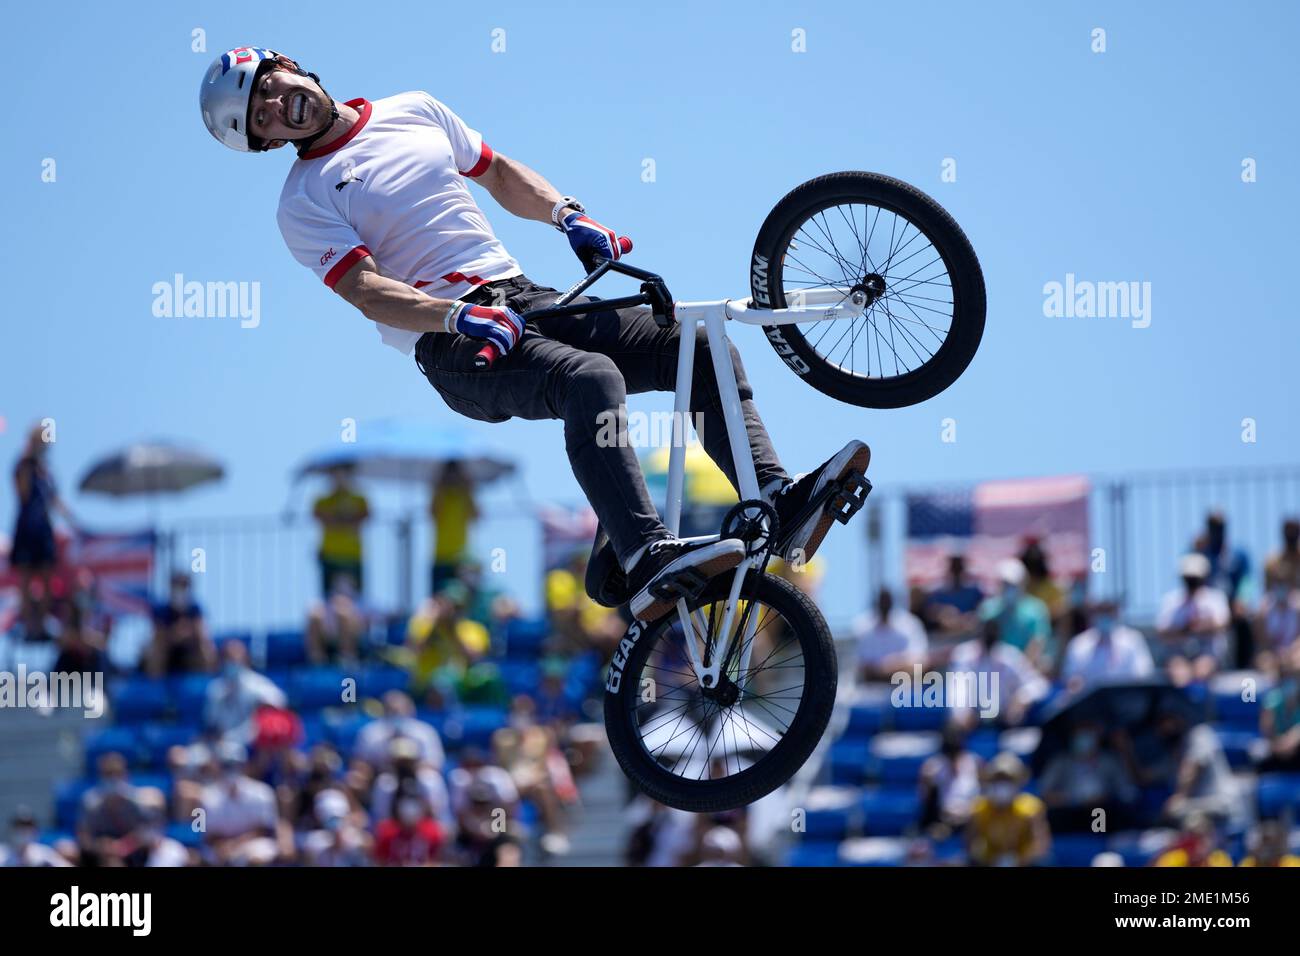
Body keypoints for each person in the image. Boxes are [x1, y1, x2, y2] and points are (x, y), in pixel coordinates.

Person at [198, 46, 871, 626]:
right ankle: (642, 555)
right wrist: (452, 315)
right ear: (266, 145)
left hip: (528, 301)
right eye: (258, 121)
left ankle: (777, 500)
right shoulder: (304, 199)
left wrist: (567, 216)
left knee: (693, 344)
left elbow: (496, 172)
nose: (273, 107)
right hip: (456, 345)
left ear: (287, 67)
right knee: (592, 380)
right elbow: (364, 290)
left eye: (266, 88)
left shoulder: (413, 108)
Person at [9, 424, 77, 643]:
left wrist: (73, 519)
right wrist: (28, 462)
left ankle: (43, 622)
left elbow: (55, 500)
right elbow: (23, 493)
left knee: (49, 578)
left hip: (44, 530)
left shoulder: (47, 471)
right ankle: (30, 625)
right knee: (26, 579)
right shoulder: (23, 465)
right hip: (27, 528)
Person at [1038, 718, 1138, 832]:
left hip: (1100, 811)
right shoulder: (1060, 761)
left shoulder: (1109, 761)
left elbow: (1128, 793)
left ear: (1097, 736)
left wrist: (1106, 797)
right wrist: (1073, 799)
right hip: (1068, 811)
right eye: (1079, 733)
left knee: (1102, 814)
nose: (1083, 738)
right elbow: (1043, 793)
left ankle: (1100, 844)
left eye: (1088, 733)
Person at [947, 617, 1050, 727]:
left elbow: (1039, 684)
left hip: (1005, 722)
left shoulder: (1010, 656)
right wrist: (961, 712)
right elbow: (958, 689)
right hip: (972, 722)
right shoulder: (964, 655)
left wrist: (1021, 699)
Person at [1155, 553, 1231, 686]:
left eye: (1195, 579)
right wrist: (1186, 630)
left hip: (1209, 655)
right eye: (1188, 579)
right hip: (1179, 655)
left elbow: (1222, 624)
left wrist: (1198, 627)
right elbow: (1162, 631)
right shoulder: (1171, 601)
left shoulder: (1215, 598)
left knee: (1201, 670)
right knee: (1179, 674)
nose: (1191, 583)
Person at [964, 753, 1051, 867]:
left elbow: (1041, 844)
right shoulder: (979, 808)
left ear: (1018, 782)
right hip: (990, 862)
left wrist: (1018, 862)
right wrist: (988, 861)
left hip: (1024, 862)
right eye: (997, 779)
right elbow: (969, 843)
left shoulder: (1031, 807)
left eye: (1008, 780)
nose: (1002, 784)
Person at [203, 640, 289, 744]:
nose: (232, 662)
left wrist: (261, 710)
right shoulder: (215, 689)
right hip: (223, 743)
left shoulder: (256, 683)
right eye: (228, 658)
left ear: (245, 659)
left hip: (250, 743)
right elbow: (210, 723)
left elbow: (280, 701)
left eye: (235, 658)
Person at [1059, 600, 1155, 692]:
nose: (1105, 620)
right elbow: (1071, 680)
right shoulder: (1079, 644)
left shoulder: (1132, 640)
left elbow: (1144, 674)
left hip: (1126, 702)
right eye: (1101, 615)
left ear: (1116, 616)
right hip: (1091, 706)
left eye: (1108, 615)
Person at [976, 559, 1051, 668]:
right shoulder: (987, 609)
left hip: (1025, 672)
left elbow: (1037, 643)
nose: (1008, 588)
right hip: (992, 670)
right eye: (1005, 584)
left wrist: (1020, 672)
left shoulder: (1037, 609)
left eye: (1012, 584)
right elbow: (981, 642)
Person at [312, 464, 369, 598]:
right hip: (329, 554)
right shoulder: (322, 501)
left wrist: (341, 518)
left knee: (355, 600)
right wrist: (346, 518)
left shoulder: (359, 499)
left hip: (352, 555)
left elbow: (363, 517)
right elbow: (322, 518)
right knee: (329, 599)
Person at [144, 571, 217, 677]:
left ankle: (209, 677)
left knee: (205, 646)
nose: (180, 590)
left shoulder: (195, 609)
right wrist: (175, 635)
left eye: (184, 586)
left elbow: (202, 634)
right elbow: (158, 636)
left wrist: (186, 635)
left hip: (189, 651)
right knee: (157, 648)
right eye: (177, 585)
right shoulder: (161, 610)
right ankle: (155, 682)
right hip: (168, 651)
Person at [917, 726, 983, 837]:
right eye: (949, 755)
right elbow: (925, 800)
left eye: (956, 754)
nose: (953, 759)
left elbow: (985, 794)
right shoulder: (934, 767)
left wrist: (970, 812)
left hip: (972, 819)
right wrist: (926, 781)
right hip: (944, 820)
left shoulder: (975, 763)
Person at [854, 587, 928, 683]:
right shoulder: (863, 628)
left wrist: (892, 667)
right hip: (874, 689)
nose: (884, 605)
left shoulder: (909, 624)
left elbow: (921, 661)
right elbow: (862, 665)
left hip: (908, 687)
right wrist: (882, 670)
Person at [430, 460, 478, 594]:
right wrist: (438, 487)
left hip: (461, 557)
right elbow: (432, 513)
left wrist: (469, 489)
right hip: (440, 555)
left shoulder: (465, 496)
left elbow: (477, 515)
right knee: (438, 597)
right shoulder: (439, 494)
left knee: (462, 597)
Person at [922, 553, 984, 642]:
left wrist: (969, 618)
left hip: (969, 639)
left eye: (959, 567)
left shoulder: (974, 592)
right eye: (954, 566)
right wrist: (944, 614)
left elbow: (982, 613)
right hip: (943, 640)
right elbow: (930, 614)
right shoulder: (937, 593)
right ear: (949, 568)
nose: (956, 570)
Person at [1152, 811, 1233, 867]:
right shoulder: (1174, 858)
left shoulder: (1219, 859)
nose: (1199, 844)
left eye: (1204, 837)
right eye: (1194, 838)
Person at [1, 807, 71, 867]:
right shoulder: (2, 854)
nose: (24, 831)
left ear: (35, 831)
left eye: (28, 827)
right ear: (11, 830)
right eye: (19, 827)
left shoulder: (44, 854)